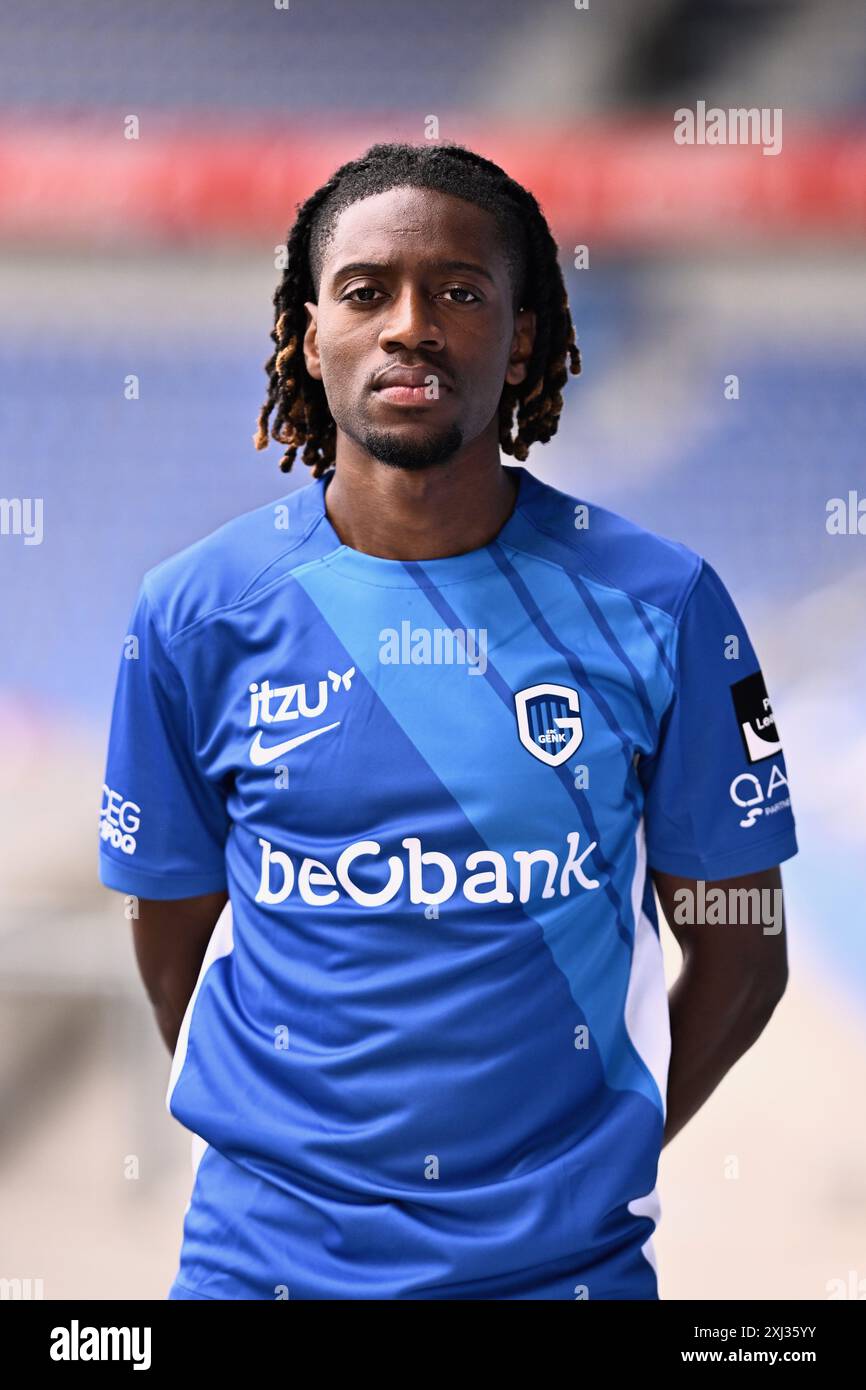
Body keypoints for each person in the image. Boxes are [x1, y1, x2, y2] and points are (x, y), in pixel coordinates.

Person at [98, 141, 797, 1300]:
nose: (409, 325)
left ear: (521, 335)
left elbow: (738, 949)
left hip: (559, 1275)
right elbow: (169, 937)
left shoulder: (662, 604)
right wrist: (298, 1155)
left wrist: (586, 1164)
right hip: (258, 1268)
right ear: (309, 330)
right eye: (365, 292)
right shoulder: (193, 615)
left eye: (459, 292)